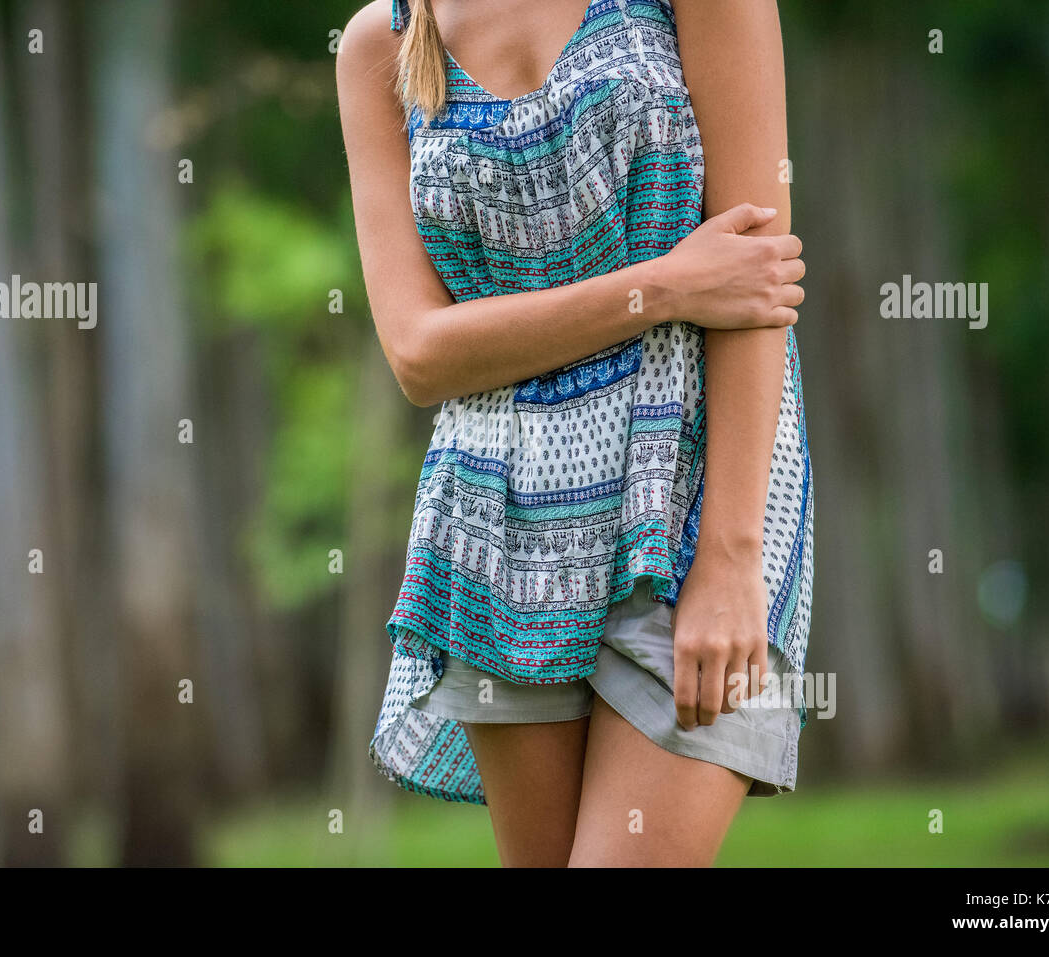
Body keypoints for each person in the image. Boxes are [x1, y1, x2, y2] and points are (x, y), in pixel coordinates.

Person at [336, 0, 814, 867]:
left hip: (693, 492)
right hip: (499, 527)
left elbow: (756, 278)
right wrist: (661, 288)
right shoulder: (385, 38)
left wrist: (731, 558)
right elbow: (418, 352)